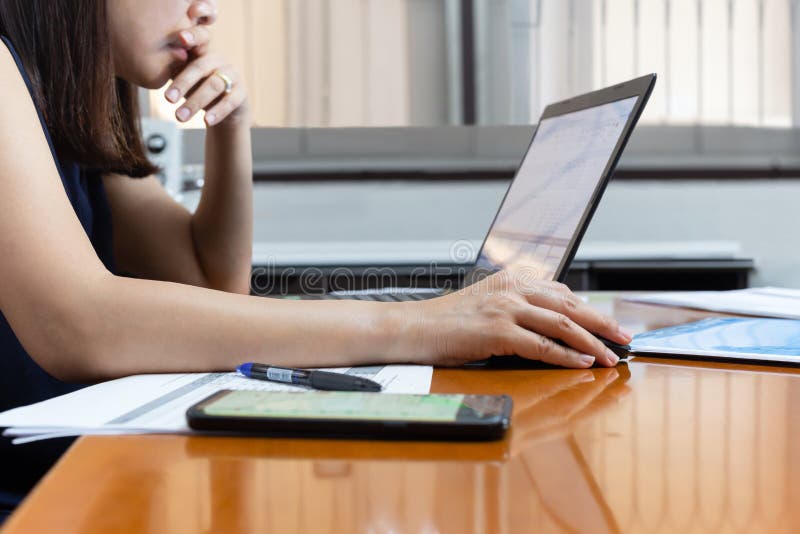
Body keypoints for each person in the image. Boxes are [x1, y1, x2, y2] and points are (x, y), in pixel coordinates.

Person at [0, 0, 632, 516]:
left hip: (65, 484)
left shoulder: (68, 104)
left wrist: (230, 126)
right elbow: (78, 322)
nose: (206, 10)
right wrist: (424, 325)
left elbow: (211, 285)